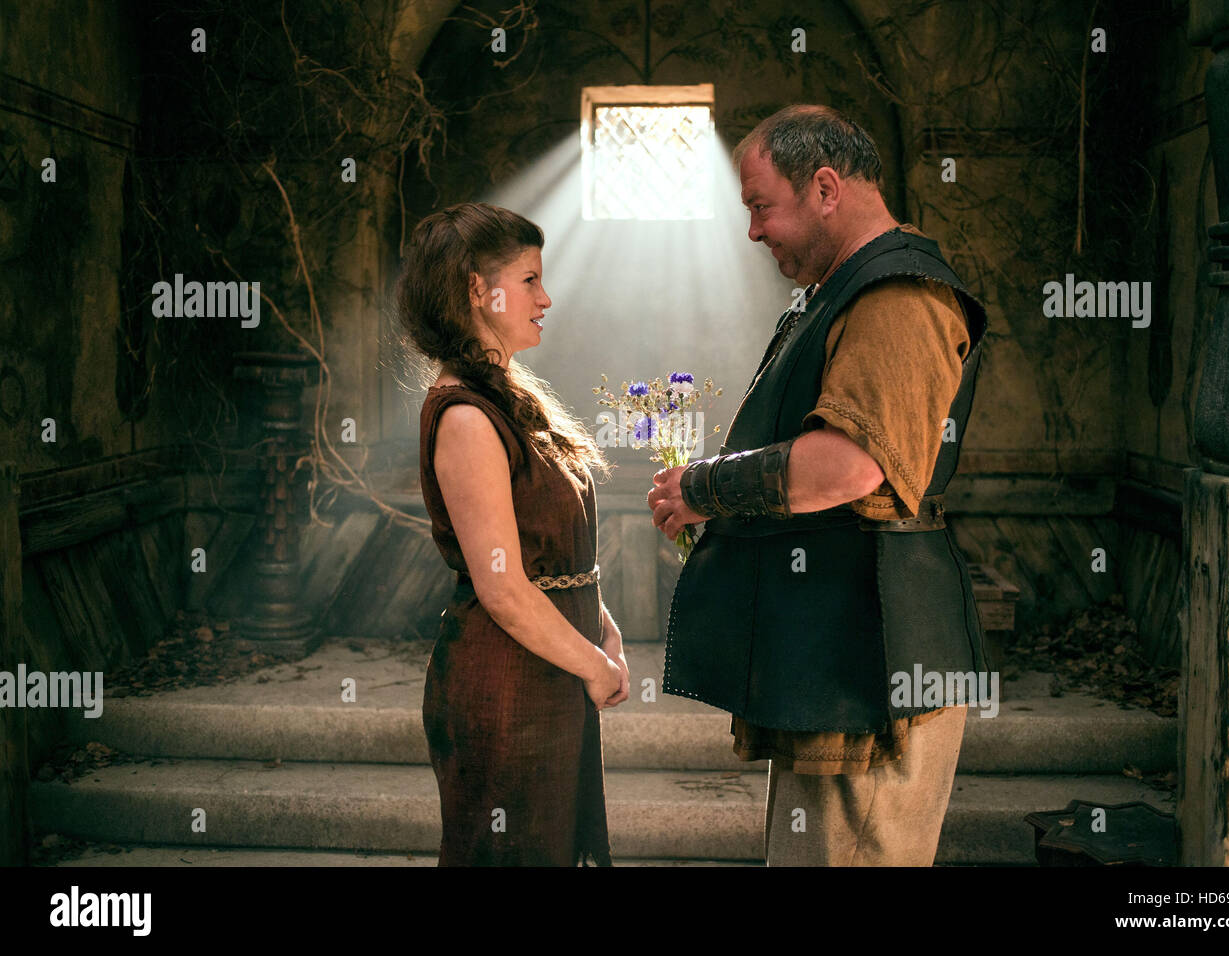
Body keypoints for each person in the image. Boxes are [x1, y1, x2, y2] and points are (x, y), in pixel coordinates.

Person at [648, 105, 991, 866]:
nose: (753, 231)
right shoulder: (842, 293)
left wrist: (705, 487)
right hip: (836, 664)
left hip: (872, 667)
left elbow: (849, 467)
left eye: (760, 206)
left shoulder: (897, 296)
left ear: (826, 188)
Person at [397, 201, 629, 866]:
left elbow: (543, 548)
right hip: (503, 683)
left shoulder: (508, 394)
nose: (545, 296)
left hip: (550, 665)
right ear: (478, 289)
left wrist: (602, 625)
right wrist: (596, 664)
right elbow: (502, 587)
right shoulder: (467, 417)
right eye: (530, 279)